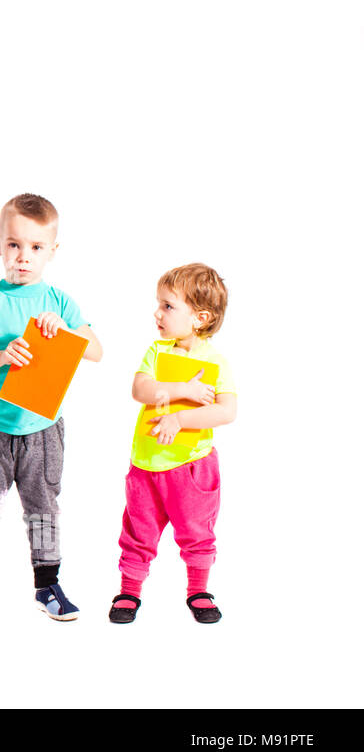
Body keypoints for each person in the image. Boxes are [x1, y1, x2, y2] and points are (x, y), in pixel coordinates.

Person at [0, 193, 102, 621]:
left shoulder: (59, 303)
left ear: (52, 252)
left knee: (43, 507)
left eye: (36, 248)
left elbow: (95, 351)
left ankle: (47, 585)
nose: (23, 257)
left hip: (42, 427)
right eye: (15, 245)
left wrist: (64, 331)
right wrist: (3, 354)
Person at [109, 264, 236, 624]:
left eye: (168, 306)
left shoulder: (215, 362)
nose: (157, 313)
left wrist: (179, 418)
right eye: (158, 304)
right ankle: (129, 590)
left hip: (191, 468)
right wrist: (182, 391)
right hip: (146, 466)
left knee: (196, 533)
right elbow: (140, 389)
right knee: (137, 532)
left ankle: (198, 589)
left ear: (200, 317)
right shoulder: (157, 351)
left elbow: (227, 411)